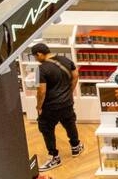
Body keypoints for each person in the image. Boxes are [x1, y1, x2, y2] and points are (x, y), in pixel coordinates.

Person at [32, 41, 82, 170]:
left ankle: (54, 157)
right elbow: (75, 76)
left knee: (46, 129)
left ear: (39, 54)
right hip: (67, 103)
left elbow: (41, 91)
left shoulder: (41, 69)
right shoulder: (65, 59)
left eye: (35, 57)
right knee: (70, 123)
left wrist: (39, 106)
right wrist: (69, 92)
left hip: (50, 106)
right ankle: (76, 146)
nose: (36, 60)